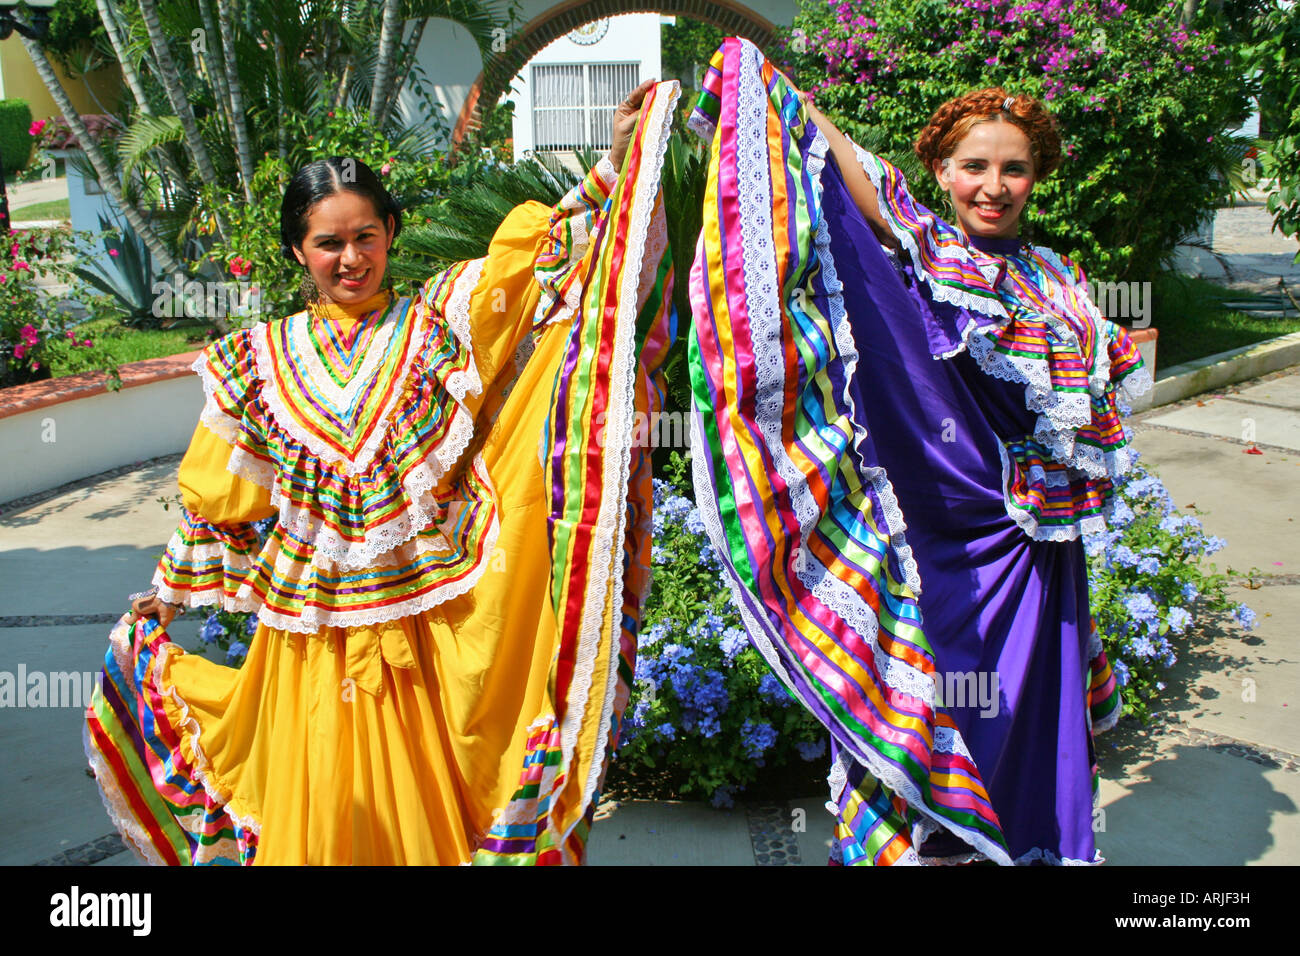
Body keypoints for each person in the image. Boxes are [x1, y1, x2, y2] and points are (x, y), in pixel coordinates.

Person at [84, 77, 682, 865]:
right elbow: (219, 500)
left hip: (422, 633)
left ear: (391, 233)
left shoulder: (436, 323)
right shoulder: (255, 365)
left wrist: (612, 165)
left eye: (366, 236)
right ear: (298, 250)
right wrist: (163, 599)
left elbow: (531, 265)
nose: (351, 258)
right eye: (329, 243)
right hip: (308, 642)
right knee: (326, 814)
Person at [685, 38, 1149, 864]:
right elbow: (850, 177)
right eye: (975, 166)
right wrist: (772, 84)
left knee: (1024, 731)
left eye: (1015, 169)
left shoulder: (1059, 280)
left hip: (1043, 559)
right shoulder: (928, 255)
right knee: (948, 723)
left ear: (1035, 176)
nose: (994, 188)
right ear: (941, 171)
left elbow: (1100, 404)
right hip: (946, 552)